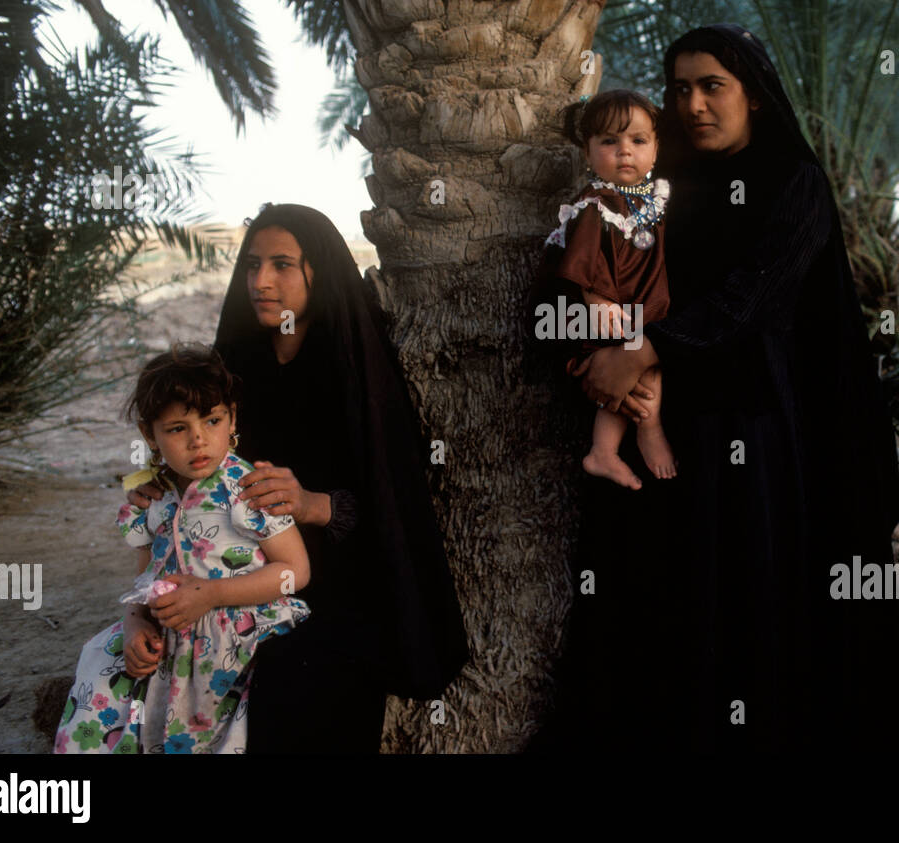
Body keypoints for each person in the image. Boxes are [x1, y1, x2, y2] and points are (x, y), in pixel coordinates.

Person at [536, 24, 899, 752]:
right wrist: (591, 350)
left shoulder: (792, 182)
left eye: (713, 85)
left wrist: (645, 348)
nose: (694, 104)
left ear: (754, 94)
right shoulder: (661, 188)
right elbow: (598, 266)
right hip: (656, 427)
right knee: (662, 612)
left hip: (750, 434)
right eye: (680, 88)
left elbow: (752, 299)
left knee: (741, 608)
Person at [127, 204, 469, 752]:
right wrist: (158, 483)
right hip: (235, 570)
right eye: (252, 265)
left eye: (282, 264)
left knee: (297, 675)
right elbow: (192, 450)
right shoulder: (237, 363)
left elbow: (393, 495)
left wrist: (313, 505)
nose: (261, 281)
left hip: (341, 582)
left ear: (320, 272)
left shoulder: (352, 362)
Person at [56, 344, 311, 753]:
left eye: (213, 420)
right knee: (102, 668)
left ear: (232, 418)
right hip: (168, 638)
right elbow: (145, 579)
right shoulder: (154, 497)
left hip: (236, 641)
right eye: (178, 428)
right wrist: (136, 622)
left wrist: (212, 593)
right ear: (149, 434)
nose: (198, 440)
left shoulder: (248, 489)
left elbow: (295, 571)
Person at [544, 89, 676, 489]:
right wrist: (594, 298)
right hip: (610, 312)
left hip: (642, 309)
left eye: (638, 141)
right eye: (609, 142)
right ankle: (628, 440)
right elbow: (582, 257)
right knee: (637, 368)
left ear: (656, 149)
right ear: (587, 153)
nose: (624, 152)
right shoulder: (594, 205)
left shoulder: (652, 201)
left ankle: (613, 446)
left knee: (646, 364)